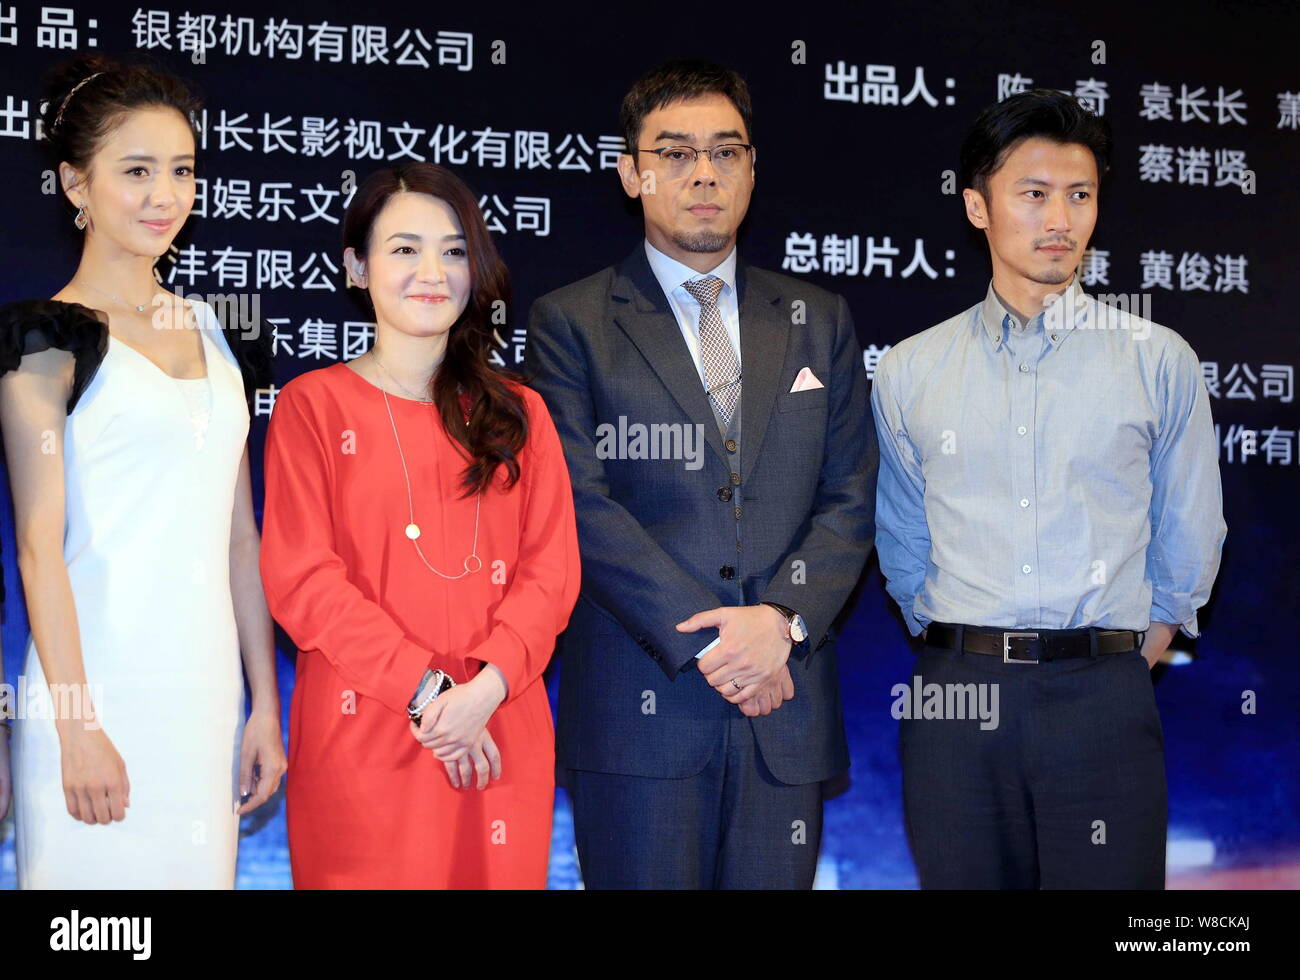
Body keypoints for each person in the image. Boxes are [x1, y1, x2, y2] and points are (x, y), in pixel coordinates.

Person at [525, 59, 878, 889]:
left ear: (753, 167)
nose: (705, 173)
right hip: (640, 710)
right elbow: (580, 503)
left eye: (726, 151)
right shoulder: (571, 322)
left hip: (783, 704)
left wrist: (780, 622)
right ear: (631, 174)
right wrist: (723, 638)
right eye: (676, 153)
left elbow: (852, 495)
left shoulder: (816, 319)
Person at [872, 89, 1227, 889]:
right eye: (1033, 195)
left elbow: (1191, 530)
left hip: (1102, 692)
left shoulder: (1156, 359)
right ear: (977, 206)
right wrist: (962, 643)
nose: (1059, 220)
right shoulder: (911, 369)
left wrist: (1129, 655)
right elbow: (900, 538)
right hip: (957, 698)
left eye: (1080, 195)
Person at [0, 53, 285, 889]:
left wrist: (263, 705)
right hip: (92, 700)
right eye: (136, 171)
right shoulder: (43, 342)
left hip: (202, 711)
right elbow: (36, 551)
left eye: (183, 170)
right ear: (75, 184)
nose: (165, 195)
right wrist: (78, 726)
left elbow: (241, 542)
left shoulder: (226, 335)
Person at [259, 162, 579, 889]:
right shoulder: (315, 407)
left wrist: (484, 691)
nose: (432, 271)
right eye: (404, 249)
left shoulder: (520, 413)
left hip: (500, 723)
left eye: (454, 249)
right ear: (355, 266)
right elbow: (302, 580)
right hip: (368, 727)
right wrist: (432, 695)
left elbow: (551, 572)